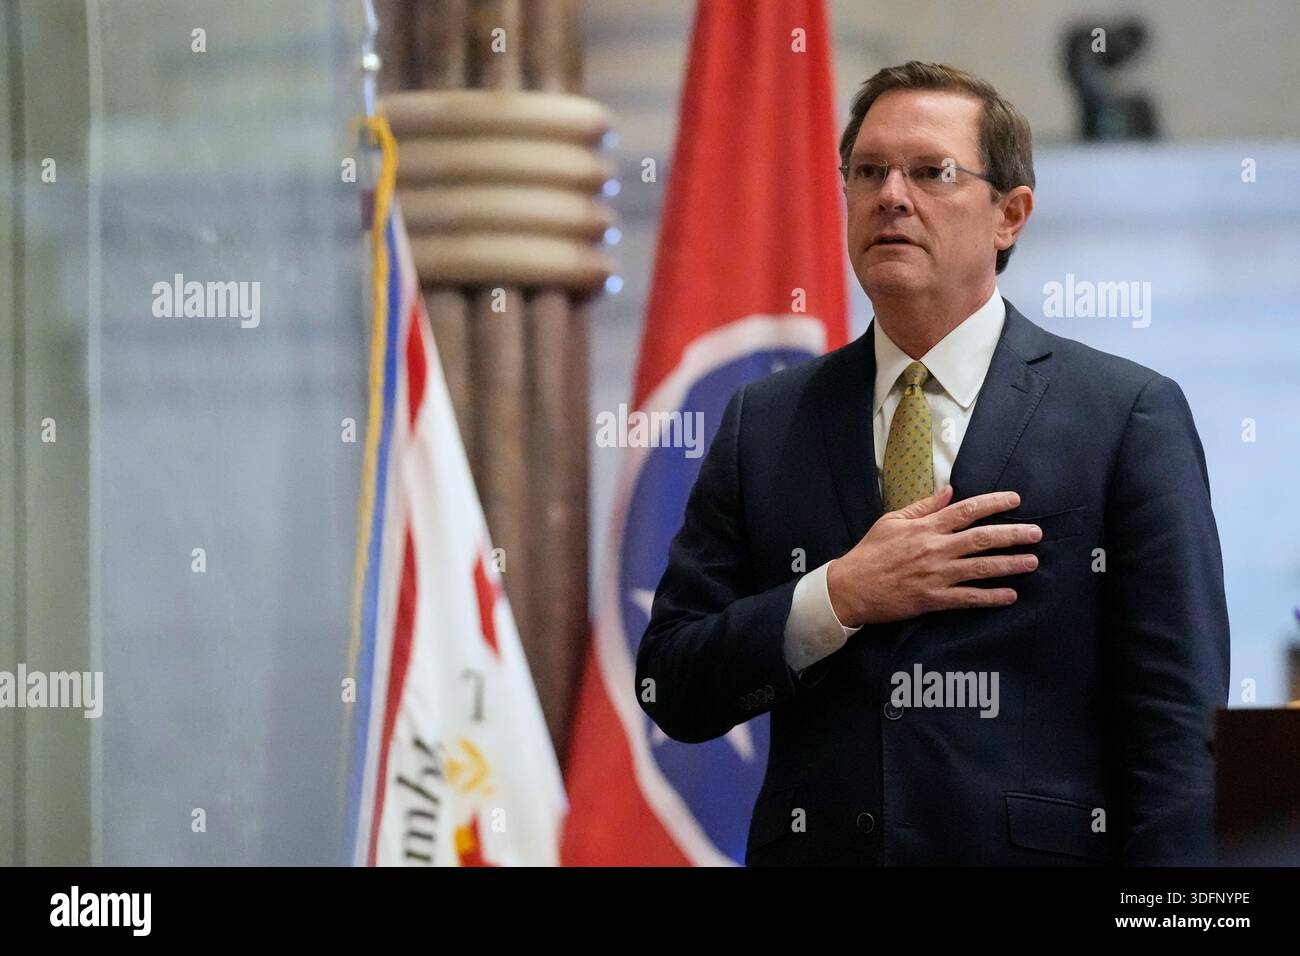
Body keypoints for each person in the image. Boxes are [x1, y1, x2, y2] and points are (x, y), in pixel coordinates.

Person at [635, 61, 1230, 865]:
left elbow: (1175, 725)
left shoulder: (1125, 416)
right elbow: (670, 684)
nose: (891, 195)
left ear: (1009, 215)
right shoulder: (764, 423)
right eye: (868, 171)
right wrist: (836, 595)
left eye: (932, 172)